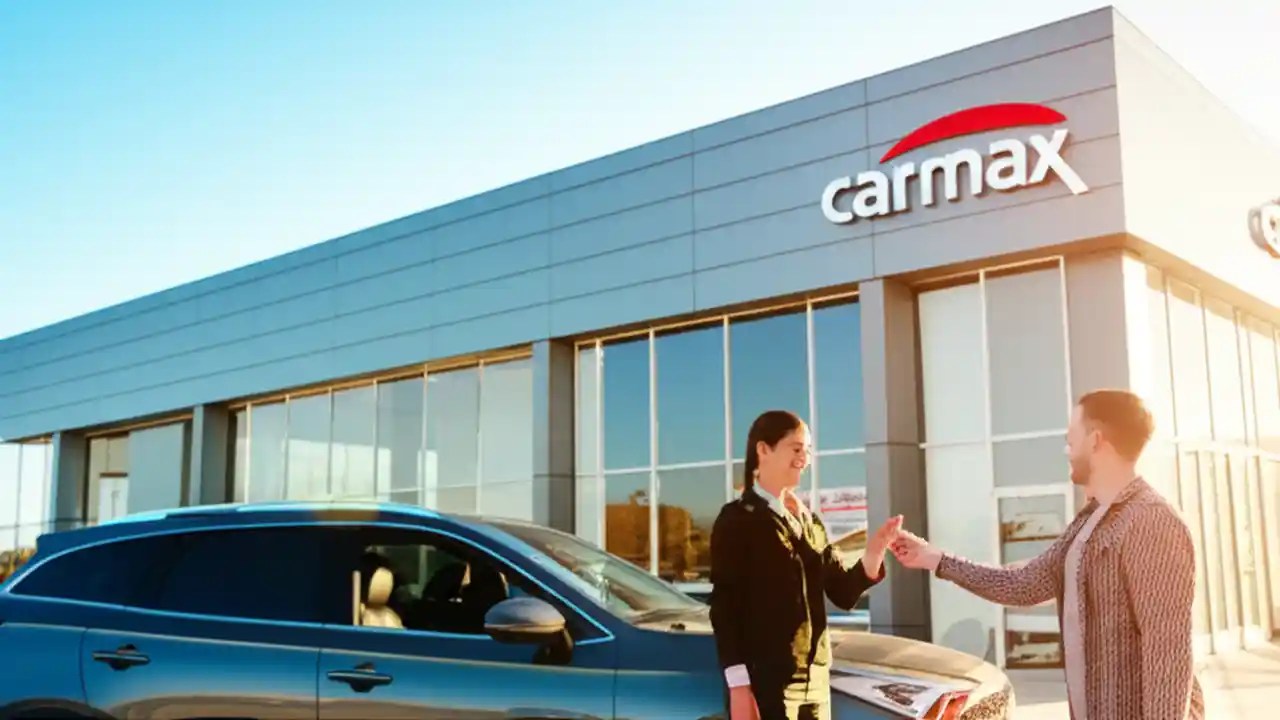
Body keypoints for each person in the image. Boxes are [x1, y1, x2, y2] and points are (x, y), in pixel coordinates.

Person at [891, 389, 1204, 720]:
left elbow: (1167, 655)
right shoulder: (1089, 522)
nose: (1067, 450)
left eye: (1071, 440)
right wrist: (934, 559)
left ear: (1096, 440)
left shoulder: (1151, 520)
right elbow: (1023, 585)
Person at [709, 409, 902, 720]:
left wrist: (875, 551)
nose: (805, 458)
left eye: (808, 451)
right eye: (796, 448)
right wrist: (739, 686)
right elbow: (724, 607)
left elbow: (842, 592)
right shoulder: (737, 519)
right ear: (763, 450)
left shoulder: (809, 521)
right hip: (767, 681)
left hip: (815, 680)